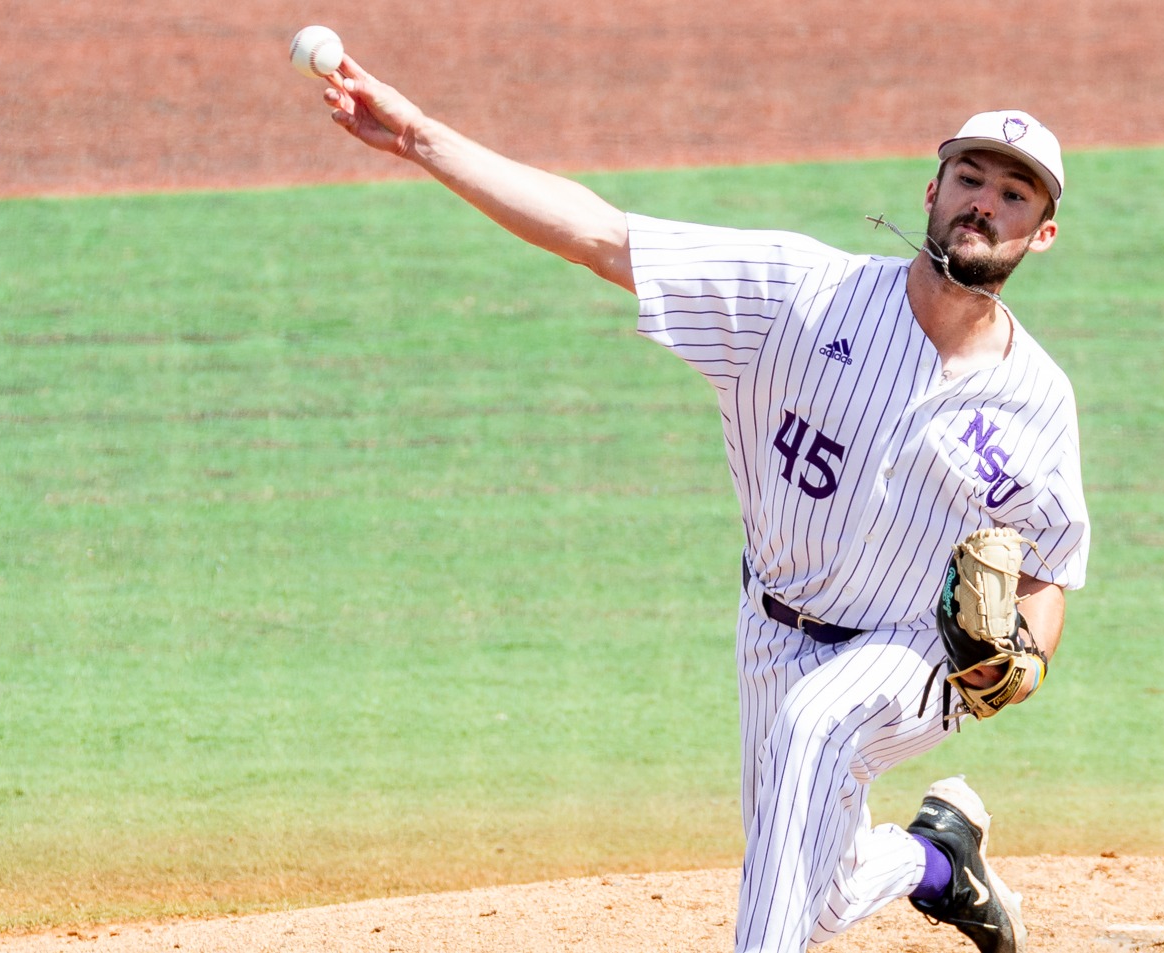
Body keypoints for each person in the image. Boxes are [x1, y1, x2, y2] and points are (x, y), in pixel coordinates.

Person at [313, 54, 1090, 953]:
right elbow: (602, 236)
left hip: (914, 651)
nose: (985, 202)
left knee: (814, 726)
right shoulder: (799, 296)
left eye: (1015, 195)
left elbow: (1052, 564)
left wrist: (1025, 655)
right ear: (931, 188)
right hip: (771, 628)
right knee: (822, 894)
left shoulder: (1037, 400)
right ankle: (939, 862)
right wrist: (418, 137)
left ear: (1041, 235)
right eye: (971, 177)